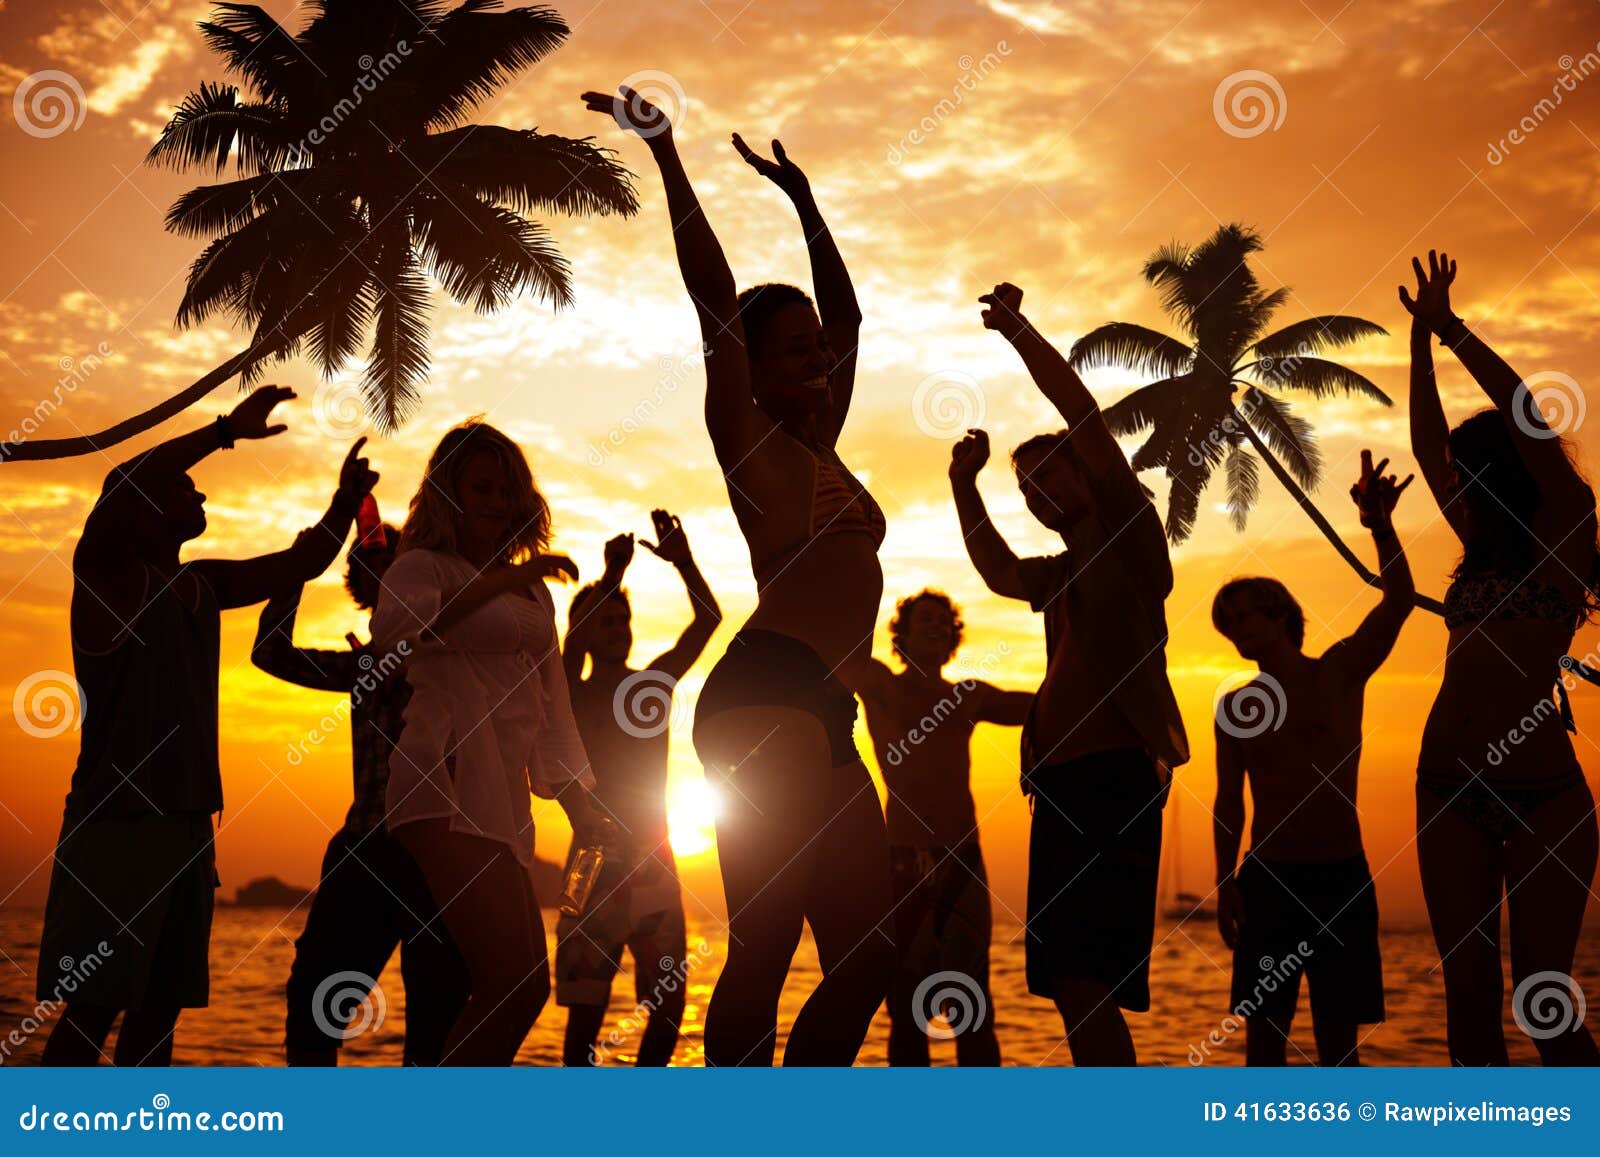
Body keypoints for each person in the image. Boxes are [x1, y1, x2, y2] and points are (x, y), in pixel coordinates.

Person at [582, 86, 896, 1066]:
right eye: (795, 349)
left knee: (871, 952)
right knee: (765, 942)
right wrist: (667, 155)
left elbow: (849, 314)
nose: (819, 357)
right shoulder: (751, 442)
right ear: (752, 371)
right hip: (765, 693)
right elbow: (714, 304)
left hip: (825, 703)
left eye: (817, 348)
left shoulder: (823, 442)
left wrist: (802, 199)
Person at [37, 386, 376, 1066]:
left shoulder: (200, 585)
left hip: (191, 828)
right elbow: (125, 479)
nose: (199, 491)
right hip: (119, 824)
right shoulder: (108, 580)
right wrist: (224, 431)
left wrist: (344, 503)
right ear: (141, 512)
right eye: (182, 486)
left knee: (158, 1014)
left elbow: (301, 563)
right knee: (94, 1008)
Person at [949, 283, 1190, 1066]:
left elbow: (1081, 411)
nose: (1038, 492)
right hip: (1058, 789)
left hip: (1112, 784)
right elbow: (997, 570)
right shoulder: (1060, 573)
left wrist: (1019, 332)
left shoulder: (1127, 534)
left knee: (1088, 976)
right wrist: (964, 486)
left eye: (1051, 475)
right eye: (1027, 488)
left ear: (1088, 473)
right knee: (1066, 983)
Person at [1401, 249, 1600, 1065]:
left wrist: (1452, 329)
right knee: (1469, 995)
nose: (1454, 488)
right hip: (1447, 787)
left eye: (1467, 476)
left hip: (1544, 795)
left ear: (1500, 474)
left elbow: (1527, 418)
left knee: (1543, 999)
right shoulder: (1476, 545)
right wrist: (1417, 341)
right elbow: (1426, 444)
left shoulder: (1567, 525)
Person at [371, 419, 600, 1066]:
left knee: (523, 987)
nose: (497, 503)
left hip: (502, 797)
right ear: (449, 495)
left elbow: (552, 707)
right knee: (511, 985)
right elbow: (398, 633)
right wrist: (496, 583)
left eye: (507, 491)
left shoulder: (533, 591)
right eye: (481, 489)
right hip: (441, 780)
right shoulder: (421, 566)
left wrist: (583, 807)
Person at [1210, 450, 1414, 1066]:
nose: (1236, 630)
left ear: (1279, 613)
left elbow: (1400, 599)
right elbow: (1228, 802)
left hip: (1341, 880)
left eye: (1243, 617)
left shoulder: (1339, 672)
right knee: (1263, 1047)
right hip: (1268, 881)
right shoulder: (1236, 706)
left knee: (1338, 1049)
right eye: (1226, 625)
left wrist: (1380, 527)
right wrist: (1224, 885)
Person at [252, 503, 470, 1066]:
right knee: (313, 1011)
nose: (386, 579)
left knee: (437, 1030)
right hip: (367, 850)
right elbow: (270, 653)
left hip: (440, 858)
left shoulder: (454, 652)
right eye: (374, 572)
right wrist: (300, 567)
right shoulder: (362, 668)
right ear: (364, 591)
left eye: (396, 567)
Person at [556, 510, 721, 1066]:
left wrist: (684, 561)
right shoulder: (573, 694)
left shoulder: (650, 686)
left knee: (668, 1004)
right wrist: (611, 577)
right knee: (587, 1010)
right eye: (604, 620)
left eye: (622, 618)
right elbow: (569, 651)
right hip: (592, 862)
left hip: (654, 860)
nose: (616, 627)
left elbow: (708, 620)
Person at [856, 589, 1032, 1066]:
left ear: (953, 636)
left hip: (962, 858)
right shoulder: (880, 685)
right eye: (925, 620)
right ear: (902, 635)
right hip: (903, 859)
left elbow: (1038, 706)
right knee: (907, 1003)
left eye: (943, 621)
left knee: (972, 1003)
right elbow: (839, 643)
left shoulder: (966, 695)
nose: (936, 626)